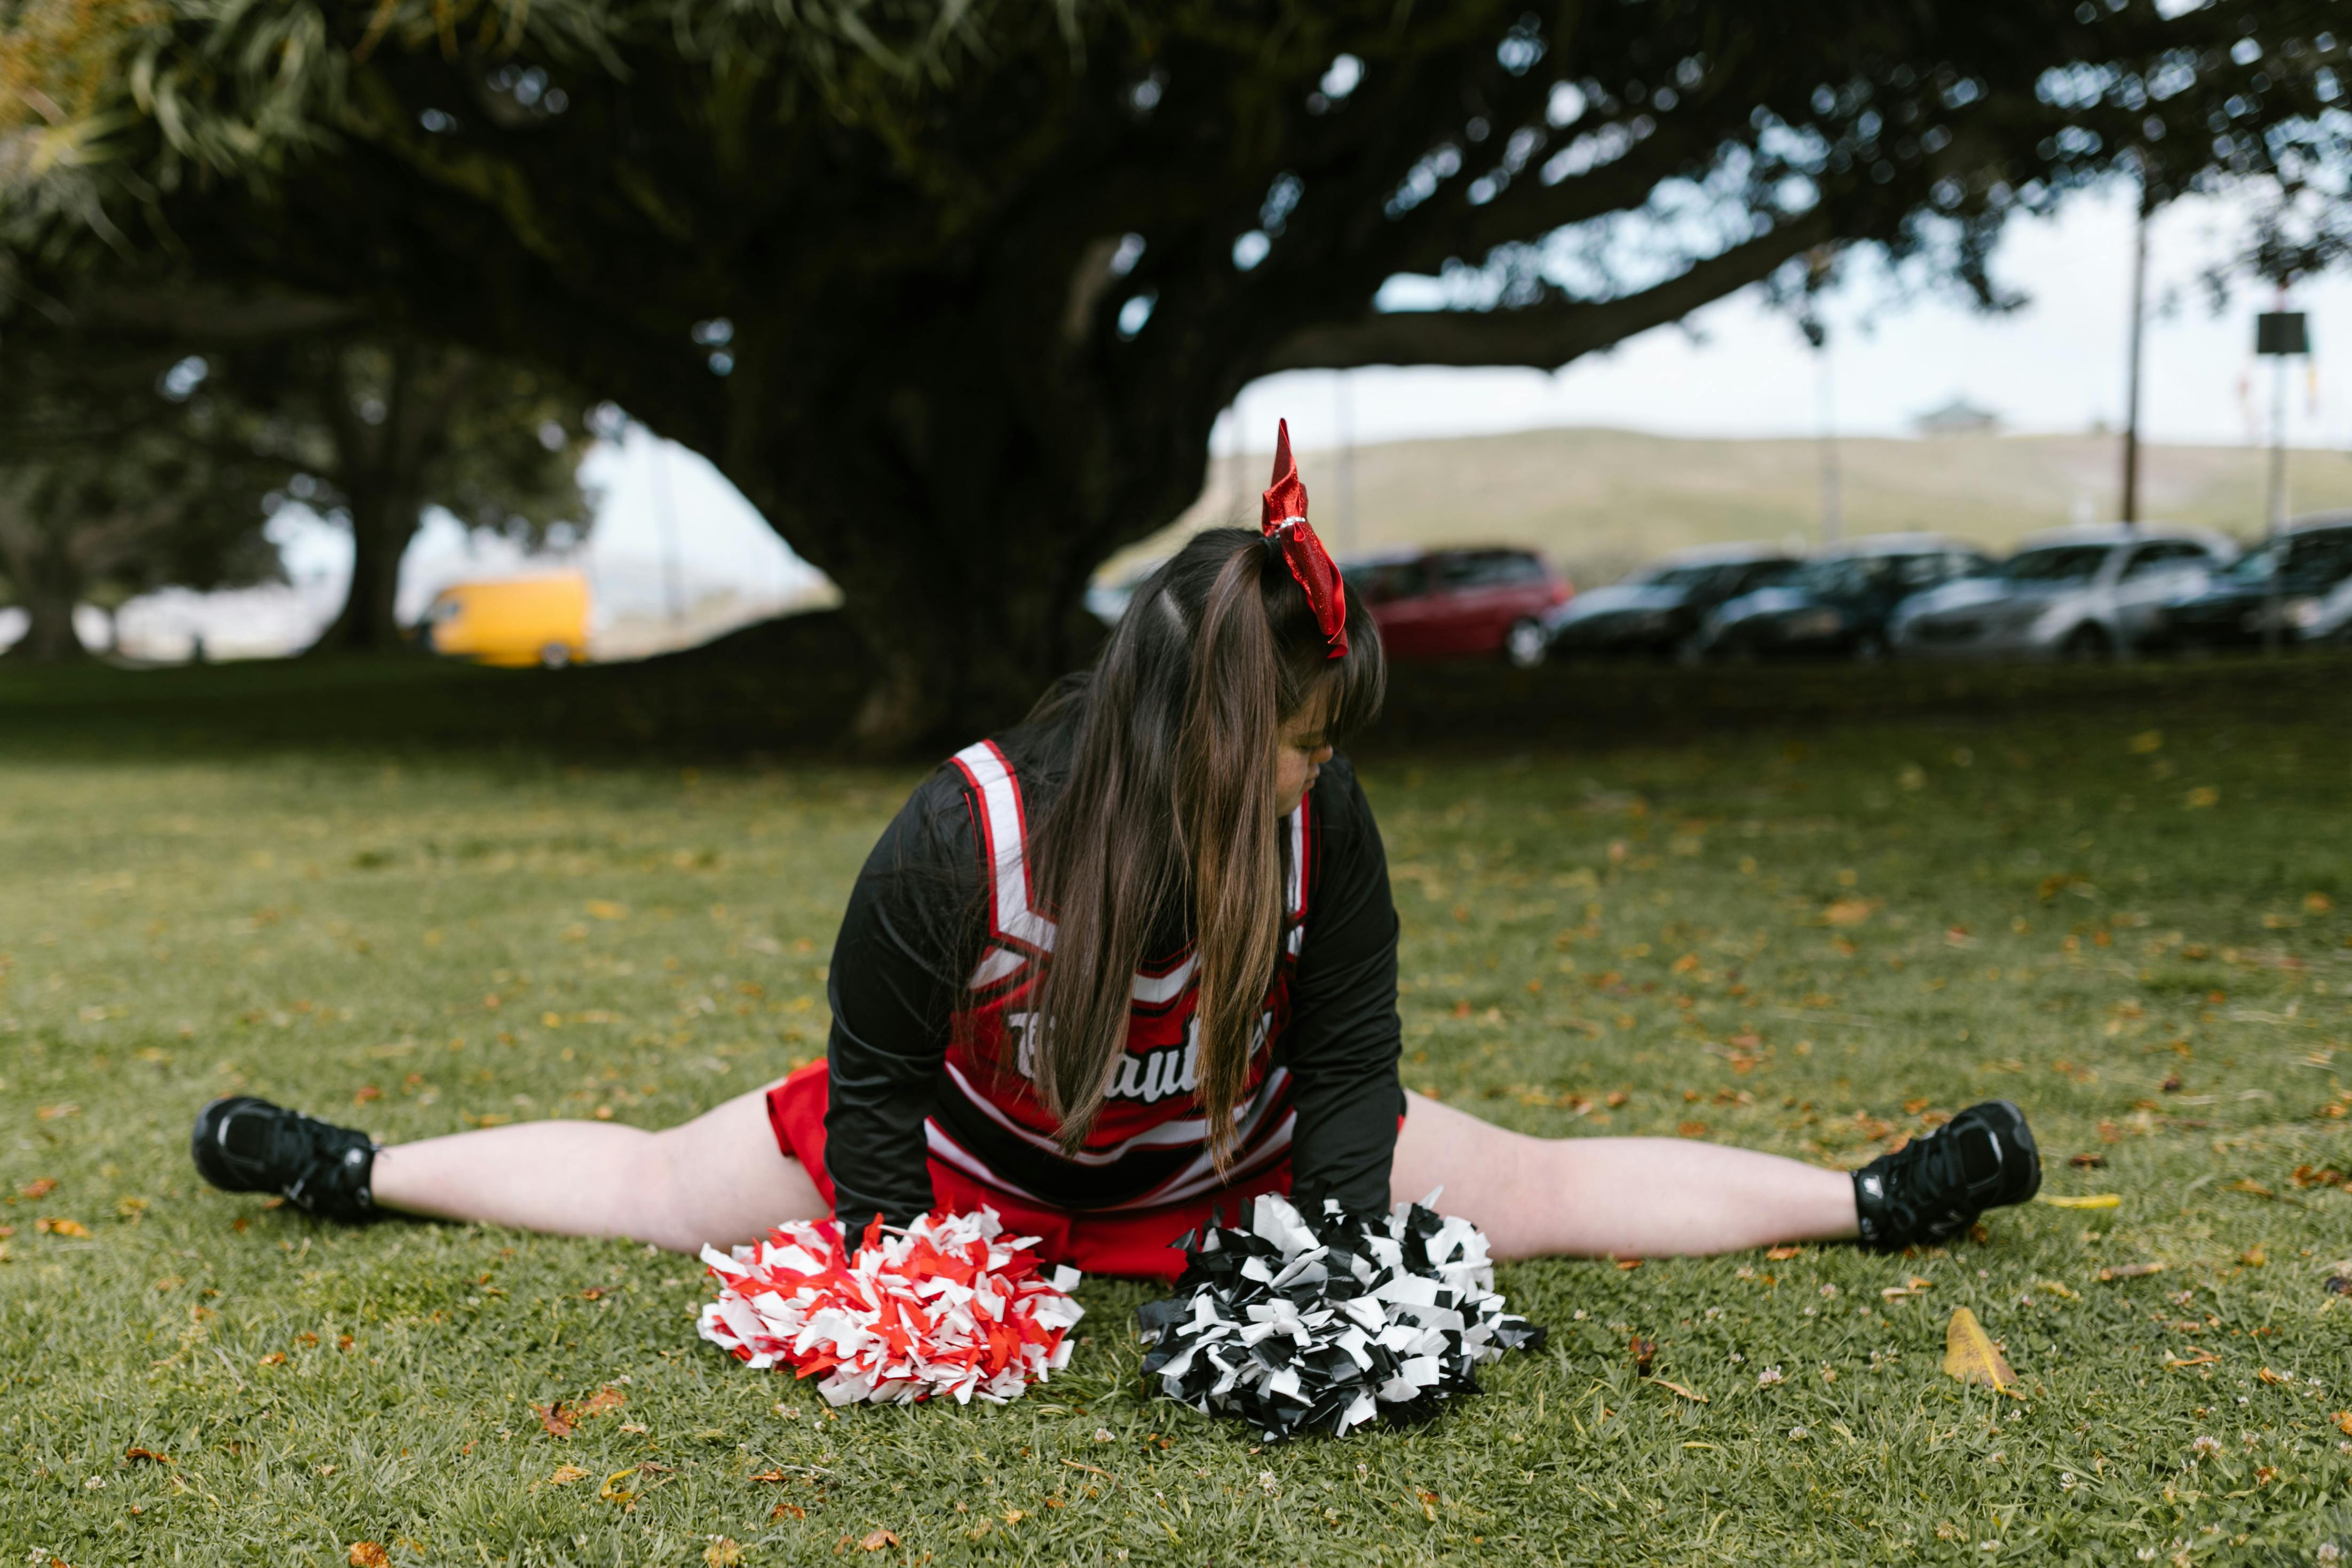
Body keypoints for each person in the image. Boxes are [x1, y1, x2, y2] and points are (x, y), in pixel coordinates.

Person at [190, 423, 2039, 1277]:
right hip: (964, 1159)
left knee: (1525, 1188)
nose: (1326, 776)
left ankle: (1870, 1197)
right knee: (661, 1188)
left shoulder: (1328, 834)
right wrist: (917, 1283)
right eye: (1307, 740)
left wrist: (1336, 1243)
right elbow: (882, 1079)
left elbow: (1349, 1064)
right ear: (1219, 728)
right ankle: (352, 1168)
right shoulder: (962, 835)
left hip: (1215, 1153)